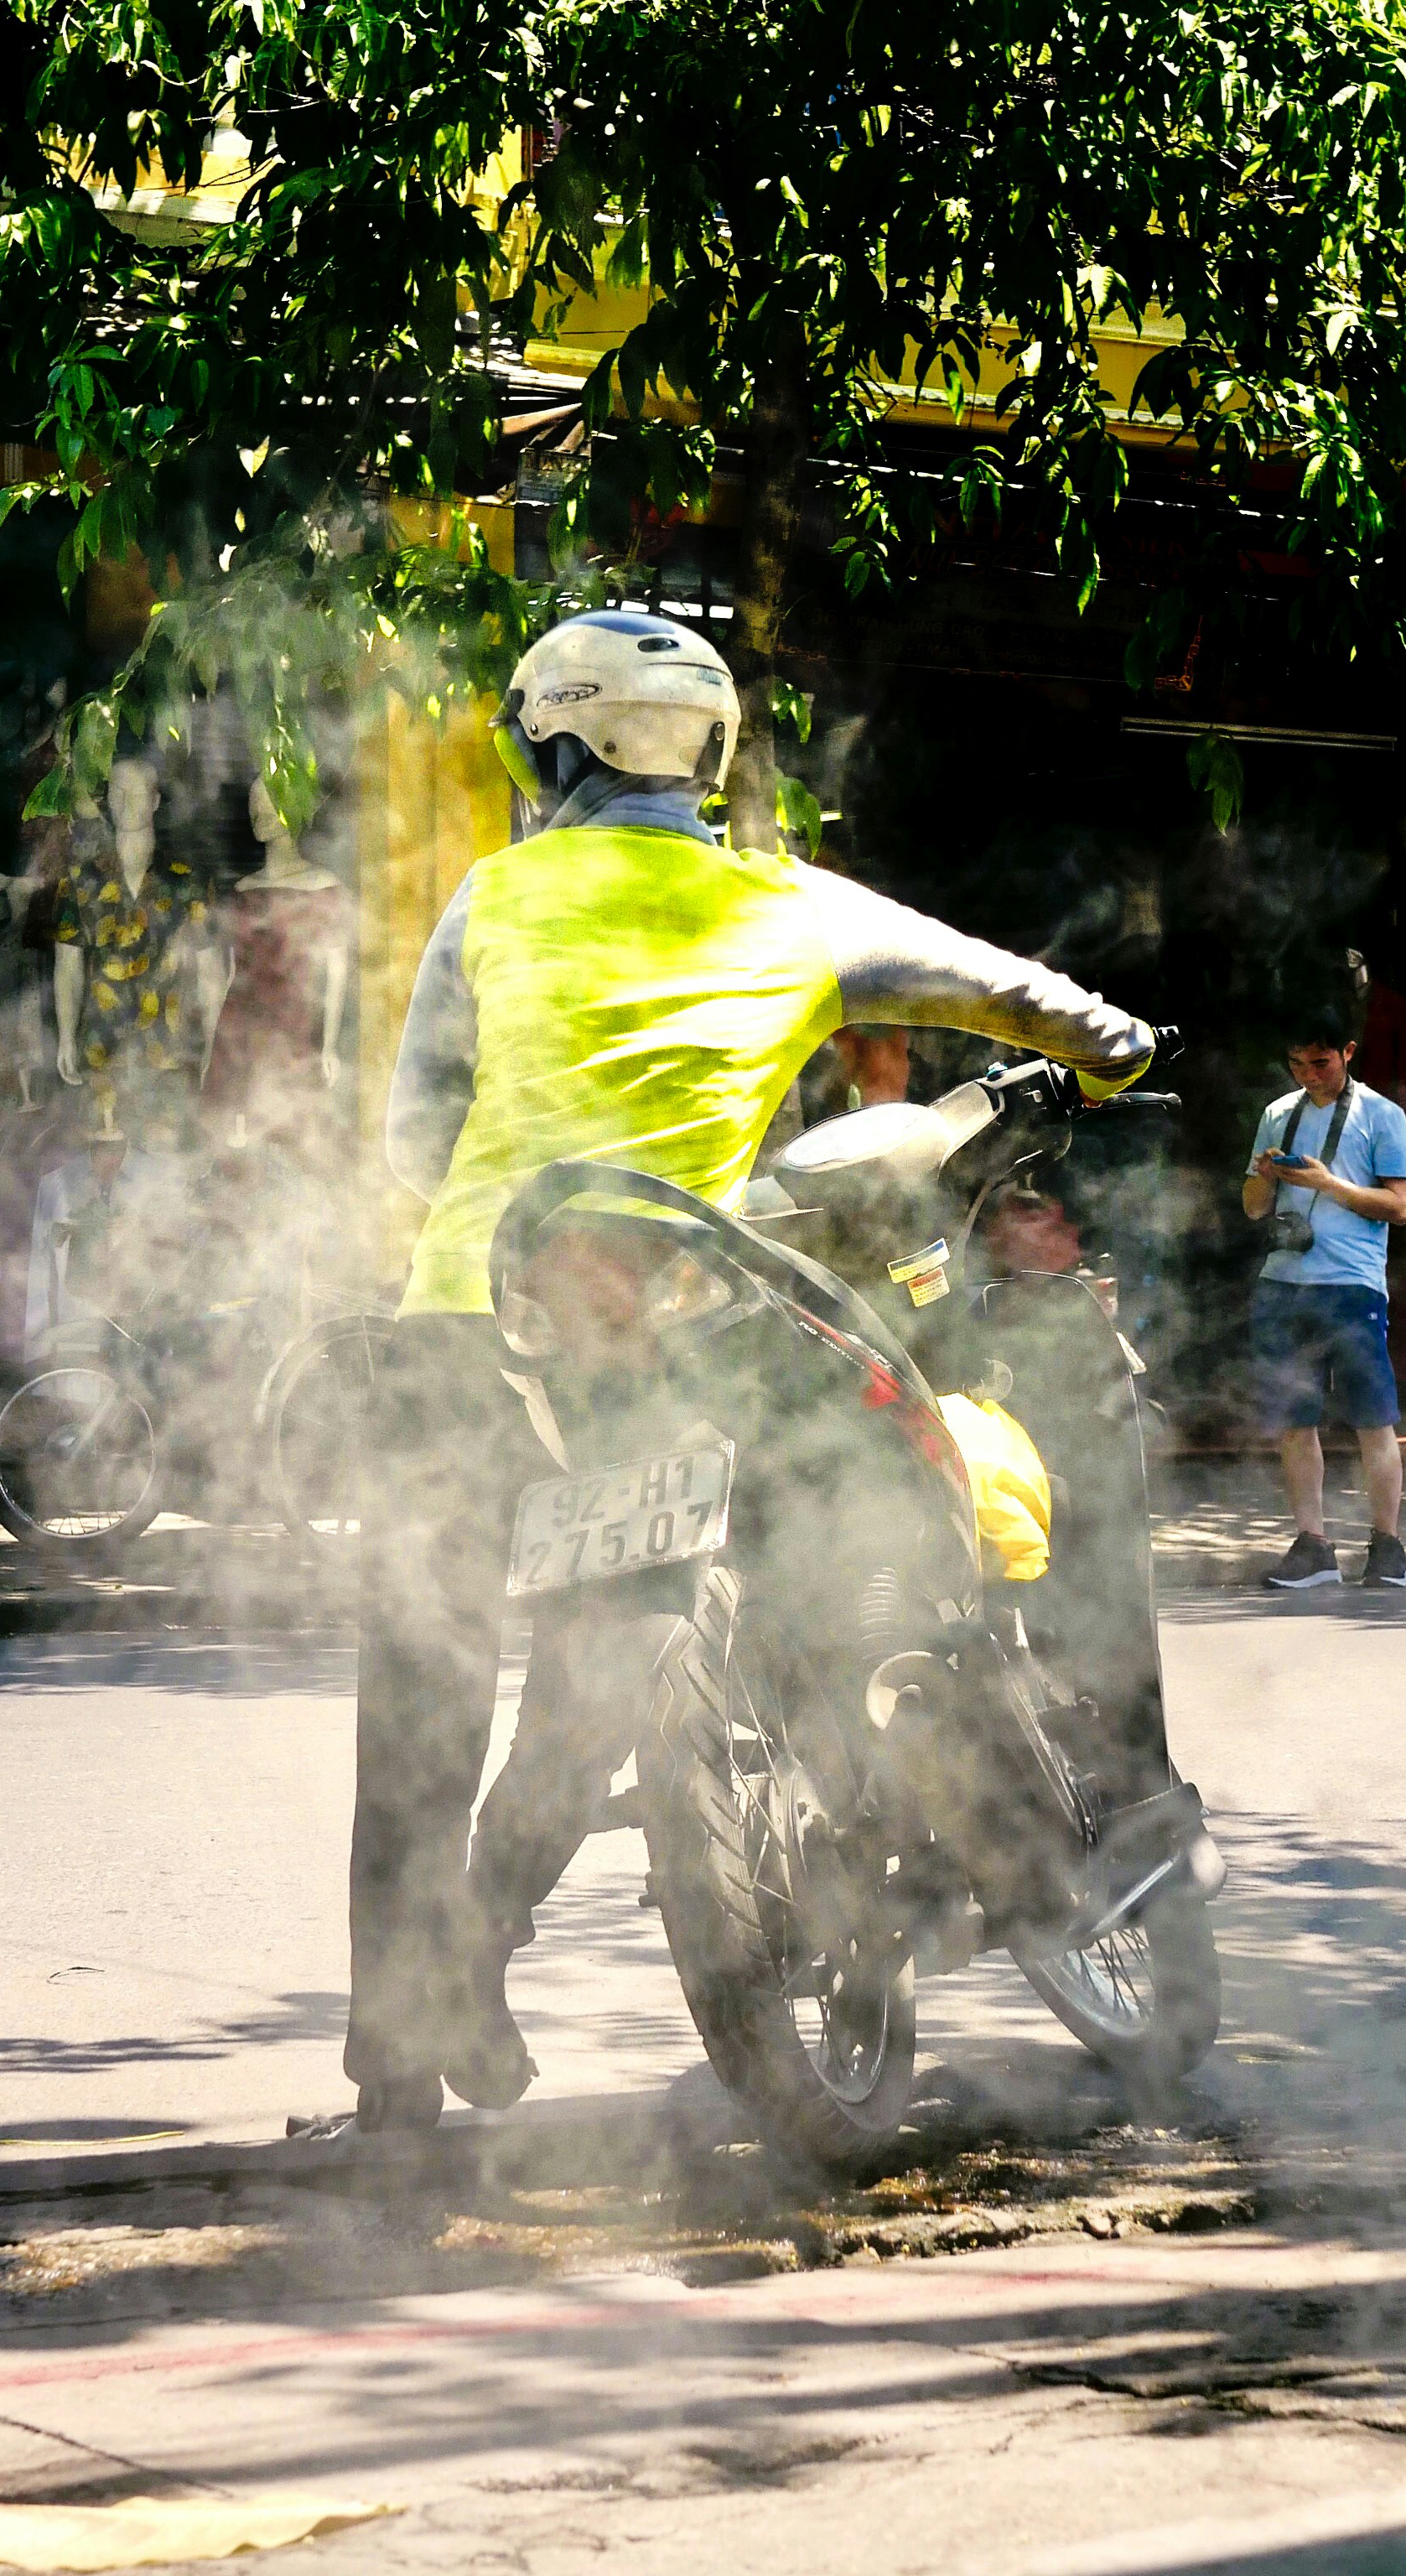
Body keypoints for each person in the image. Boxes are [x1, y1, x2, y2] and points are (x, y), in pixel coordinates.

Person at [345, 609, 1159, 2135]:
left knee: (419, 1710)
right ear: (701, 753)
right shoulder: (790, 910)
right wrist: (1115, 1047)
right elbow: (1030, 1001)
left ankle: (395, 2086)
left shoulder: (494, 899)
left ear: (554, 744)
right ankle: (488, 1941)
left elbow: (409, 1140)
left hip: (458, 1332)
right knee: (606, 1661)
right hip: (641, 1351)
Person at [1243, 1005, 1406, 1591]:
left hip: (1352, 1284)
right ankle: (1313, 1546)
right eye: (1296, 1064)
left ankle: (1387, 1546)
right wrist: (1266, 1175)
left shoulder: (1382, 1116)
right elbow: (1251, 1208)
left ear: (1348, 1050)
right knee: (1295, 1421)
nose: (1307, 1075)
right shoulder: (1275, 1114)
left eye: (1319, 1062)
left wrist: (1327, 1184)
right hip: (1283, 1282)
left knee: (1373, 1420)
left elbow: (1399, 1207)